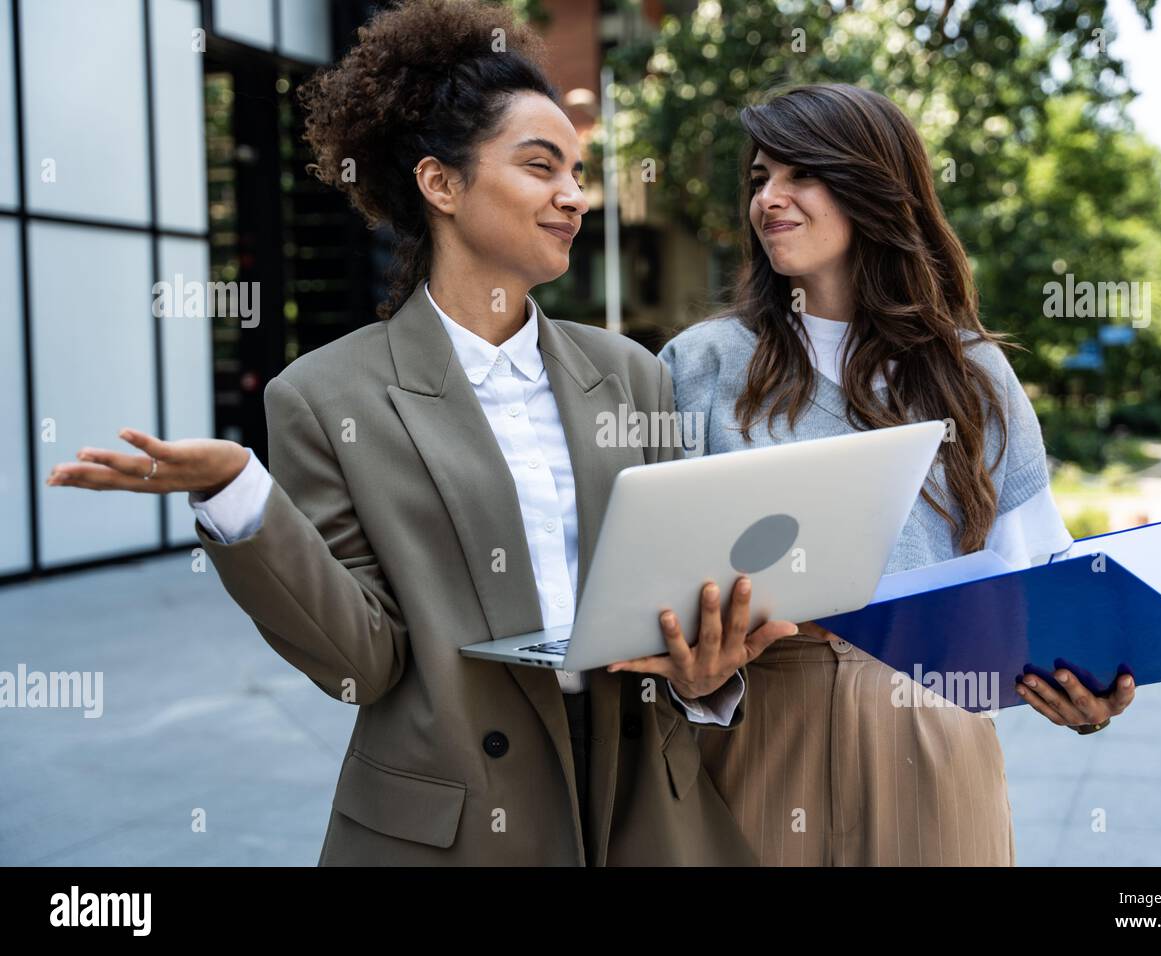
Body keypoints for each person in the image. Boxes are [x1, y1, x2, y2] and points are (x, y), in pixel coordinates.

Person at [46, 0, 796, 866]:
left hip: (639, 814)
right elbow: (359, 664)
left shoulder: (631, 372)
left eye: (578, 170)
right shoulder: (324, 396)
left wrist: (708, 679)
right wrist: (239, 493)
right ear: (441, 184)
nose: (573, 196)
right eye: (541, 165)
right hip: (459, 828)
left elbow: (681, 603)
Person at [659, 83, 1137, 866]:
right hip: (757, 737)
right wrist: (694, 680)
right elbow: (656, 589)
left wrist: (1086, 689)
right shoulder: (699, 365)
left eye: (797, 175)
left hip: (933, 733)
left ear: (872, 187)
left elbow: (1042, 573)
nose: (768, 199)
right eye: (758, 180)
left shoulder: (971, 373)